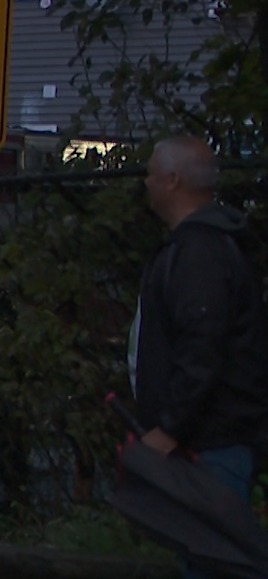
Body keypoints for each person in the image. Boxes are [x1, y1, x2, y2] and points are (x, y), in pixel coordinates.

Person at [132, 135, 268, 579]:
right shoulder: (208, 247)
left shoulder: (199, 254)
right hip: (209, 444)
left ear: (173, 180)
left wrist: (170, 428)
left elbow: (201, 349)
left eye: (152, 173)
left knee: (213, 562)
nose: (146, 182)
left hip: (210, 448)